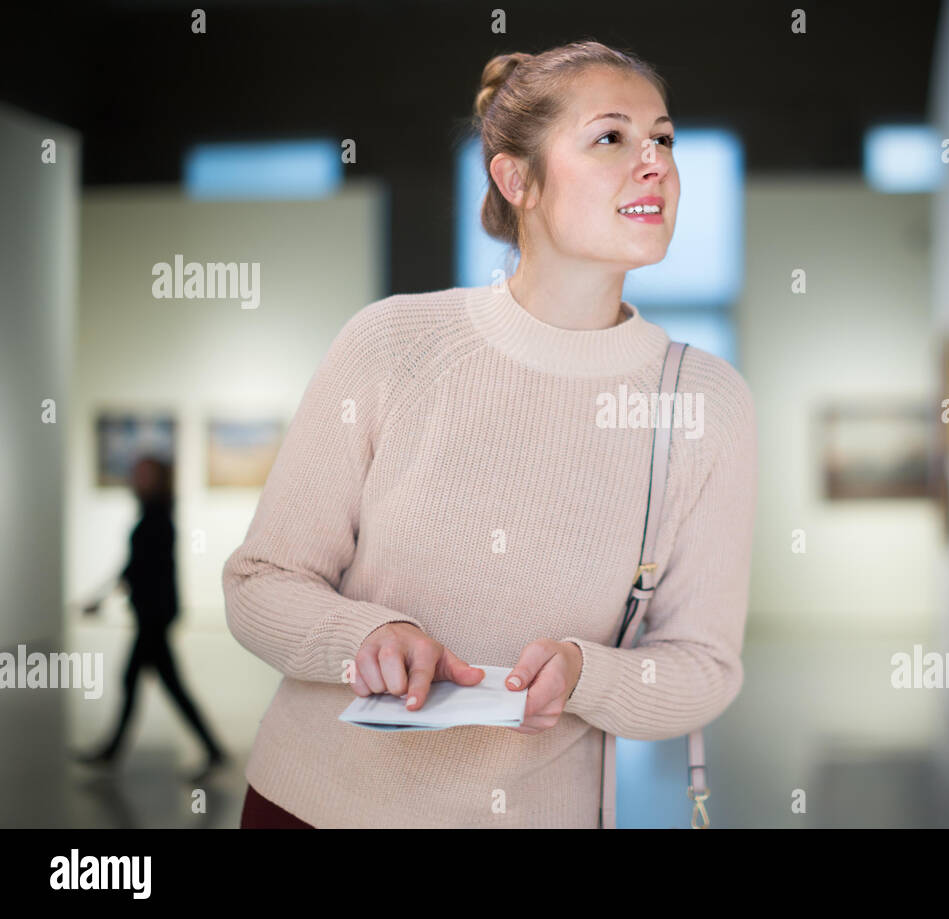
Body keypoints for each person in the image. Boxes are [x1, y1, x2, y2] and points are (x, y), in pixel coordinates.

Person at [223, 39, 758, 829]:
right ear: (517, 178)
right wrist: (368, 633)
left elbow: (704, 668)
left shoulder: (706, 401)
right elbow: (259, 582)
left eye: (664, 138)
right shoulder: (393, 343)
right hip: (320, 805)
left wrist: (586, 675)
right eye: (611, 137)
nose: (655, 163)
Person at [78, 456, 228, 782]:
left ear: (158, 479)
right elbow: (132, 567)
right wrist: (101, 597)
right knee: (156, 682)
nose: (136, 477)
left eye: (143, 473)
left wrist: (103, 598)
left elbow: (138, 569)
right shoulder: (153, 514)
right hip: (153, 613)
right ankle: (211, 749)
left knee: (140, 680)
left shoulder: (158, 517)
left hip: (154, 615)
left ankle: (113, 751)